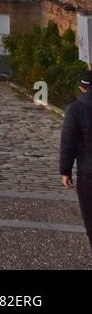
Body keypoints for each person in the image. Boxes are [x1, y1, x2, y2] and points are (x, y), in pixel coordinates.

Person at [59, 70, 92, 253]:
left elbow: (68, 142)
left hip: (88, 174)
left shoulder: (76, 109)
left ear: (81, 87)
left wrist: (65, 170)